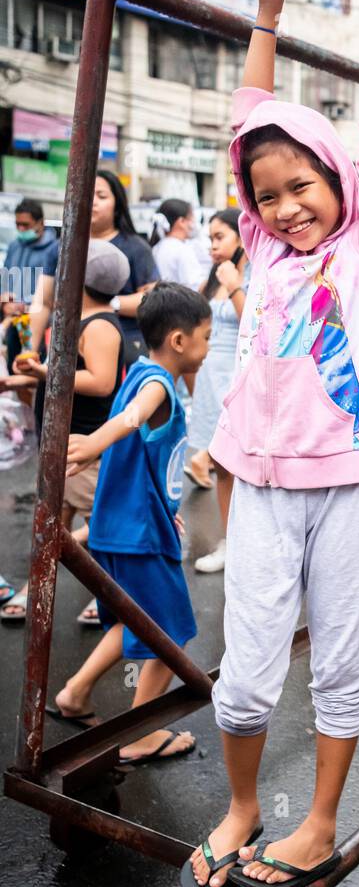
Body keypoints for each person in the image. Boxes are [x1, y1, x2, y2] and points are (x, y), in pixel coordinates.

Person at [181, 0, 359, 887]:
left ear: (337, 181)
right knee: (242, 676)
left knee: (341, 662)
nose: (285, 209)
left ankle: (316, 824)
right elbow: (247, 115)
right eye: (266, 197)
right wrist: (264, 6)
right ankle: (240, 808)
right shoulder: (263, 252)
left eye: (301, 187)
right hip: (265, 486)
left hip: (353, 485)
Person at [54, 283, 211, 762]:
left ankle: (75, 695)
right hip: (139, 534)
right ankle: (142, 735)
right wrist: (93, 442)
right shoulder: (157, 384)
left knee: (134, 620)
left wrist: (167, 509)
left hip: (129, 526)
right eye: (205, 337)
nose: (208, 348)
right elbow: (133, 415)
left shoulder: (143, 369)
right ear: (180, 341)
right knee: (171, 630)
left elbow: (148, 457)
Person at [0, 241, 127, 627]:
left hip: (83, 445)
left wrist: (42, 373)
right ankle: (38, 588)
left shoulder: (101, 325)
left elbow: (101, 382)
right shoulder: (80, 318)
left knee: (101, 525)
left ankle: (109, 596)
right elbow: (66, 379)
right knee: (53, 522)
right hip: (63, 442)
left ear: (78, 280)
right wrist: (17, 380)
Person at [31, 171, 159, 366]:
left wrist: (107, 303)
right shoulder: (61, 247)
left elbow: (151, 299)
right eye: (88, 194)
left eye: (101, 196)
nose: (93, 202)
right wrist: (30, 349)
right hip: (65, 347)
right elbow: (43, 301)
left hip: (120, 347)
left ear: (117, 204)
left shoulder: (136, 247)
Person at [185, 209, 249, 570]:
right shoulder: (213, 277)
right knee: (222, 464)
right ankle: (229, 544)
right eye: (210, 238)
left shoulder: (253, 271)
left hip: (240, 376)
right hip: (211, 376)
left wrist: (236, 284)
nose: (213, 244)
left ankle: (251, 544)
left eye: (220, 236)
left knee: (246, 464)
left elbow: (256, 326)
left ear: (241, 237)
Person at [1, 200, 56, 373]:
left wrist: (27, 306)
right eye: (18, 225)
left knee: (33, 369)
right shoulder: (14, 246)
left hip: (37, 323)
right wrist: (5, 301)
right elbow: (5, 278)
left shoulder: (53, 250)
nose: (21, 229)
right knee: (13, 366)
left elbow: (50, 294)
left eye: (26, 225)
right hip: (13, 320)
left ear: (41, 223)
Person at [150, 199, 201, 288]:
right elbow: (193, 286)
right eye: (192, 218)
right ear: (181, 221)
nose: (194, 223)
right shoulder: (182, 250)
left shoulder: (156, 247)